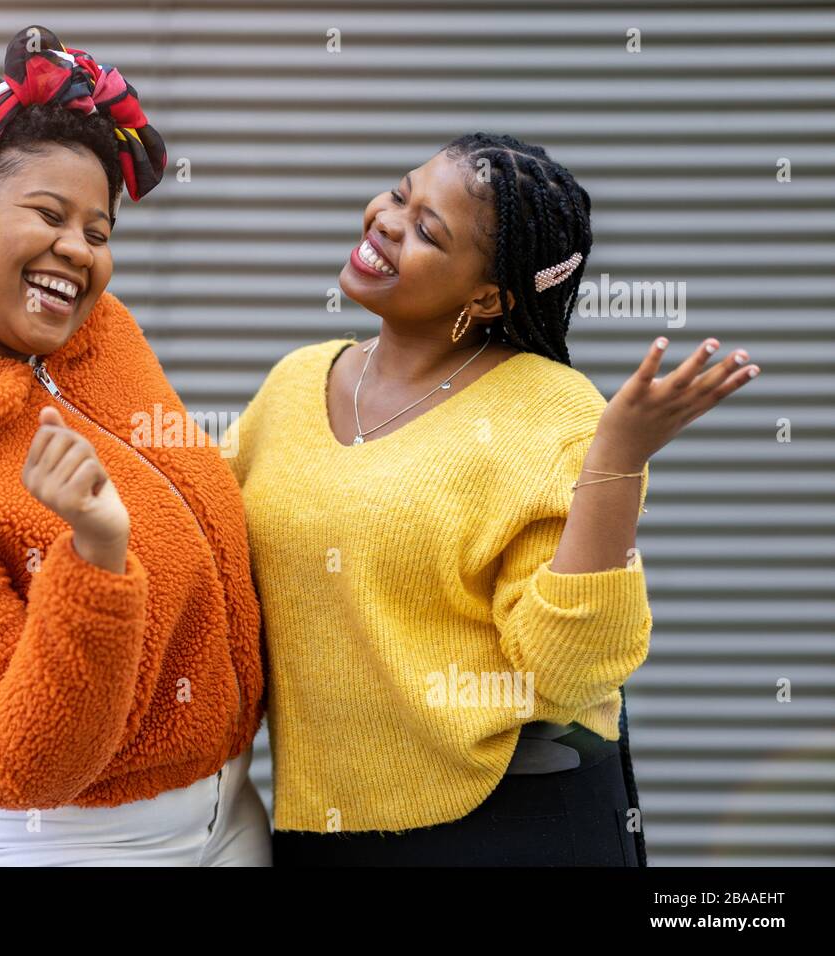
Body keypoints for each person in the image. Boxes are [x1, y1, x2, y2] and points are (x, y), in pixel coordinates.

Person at [225, 132, 760, 865]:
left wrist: (618, 459)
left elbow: (566, 673)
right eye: (400, 192)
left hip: (508, 822)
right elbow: (204, 556)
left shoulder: (556, 414)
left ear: (487, 297)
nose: (386, 220)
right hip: (323, 824)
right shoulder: (294, 384)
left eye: (426, 230)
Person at [0, 26, 270, 866]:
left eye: (99, 231)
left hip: (230, 807)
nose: (80, 249)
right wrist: (96, 557)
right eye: (48, 214)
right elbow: (16, 760)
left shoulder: (103, 340)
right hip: (63, 842)